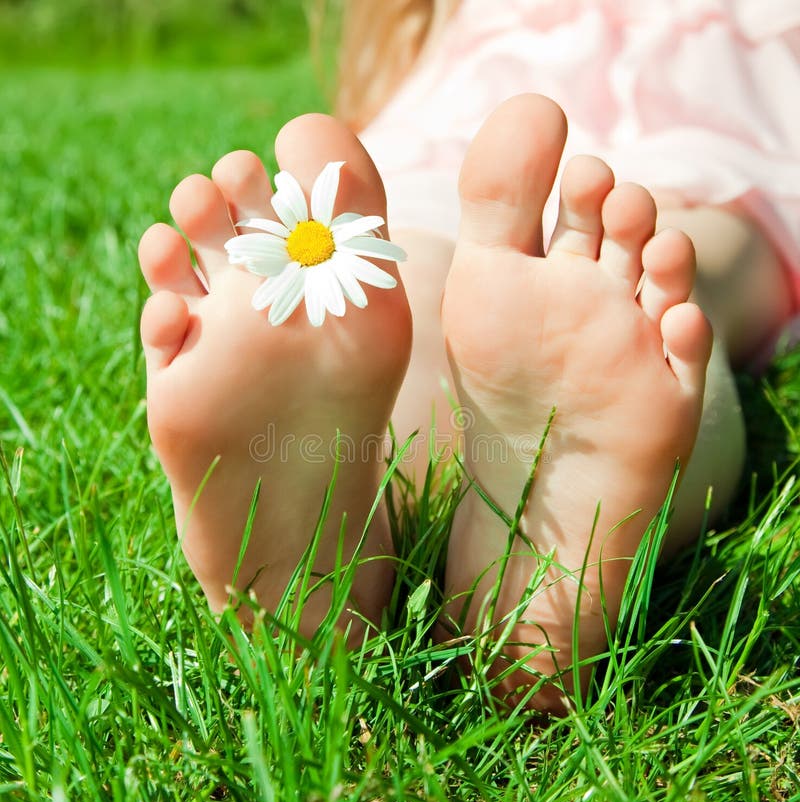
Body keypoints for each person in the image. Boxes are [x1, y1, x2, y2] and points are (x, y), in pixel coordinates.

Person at [137, 0, 800, 713]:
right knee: (667, 288)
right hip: (717, 122)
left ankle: (341, 547)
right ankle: (508, 578)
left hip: (465, 124)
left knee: (416, 273)